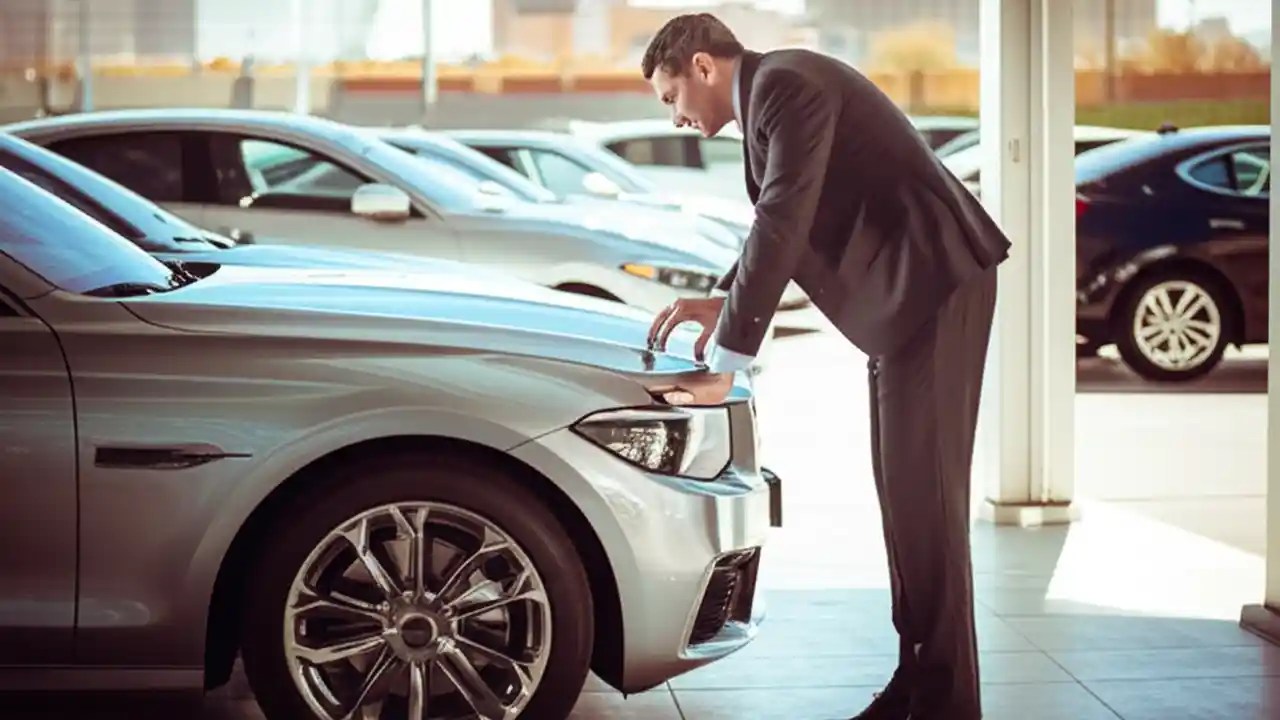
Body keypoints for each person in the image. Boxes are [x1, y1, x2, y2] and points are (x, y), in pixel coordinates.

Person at [641, 13, 1012, 720]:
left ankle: (948, 705)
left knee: (928, 506)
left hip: (935, 287)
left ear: (703, 66)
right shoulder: (776, 91)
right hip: (905, 306)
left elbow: (785, 215)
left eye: (670, 97)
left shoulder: (786, 84)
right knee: (906, 506)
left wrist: (726, 364)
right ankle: (919, 686)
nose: (676, 116)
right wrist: (723, 301)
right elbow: (784, 222)